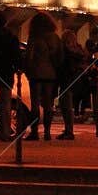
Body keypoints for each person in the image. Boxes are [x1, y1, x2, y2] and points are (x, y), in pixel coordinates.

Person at [23, 12, 62, 141]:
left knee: (35, 104)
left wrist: (27, 70)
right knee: (48, 104)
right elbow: (60, 57)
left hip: (36, 73)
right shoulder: (55, 38)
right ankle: (47, 132)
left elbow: (29, 57)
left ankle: (35, 132)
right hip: (51, 74)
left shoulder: (34, 37)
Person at [56, 27, 87, 139]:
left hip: (67, 79)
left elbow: (61, 64)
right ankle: (69, 129)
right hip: (77, 80)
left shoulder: (65, 50)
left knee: (66, 106)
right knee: (69, 105)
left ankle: (69, 131)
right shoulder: (79, 50)